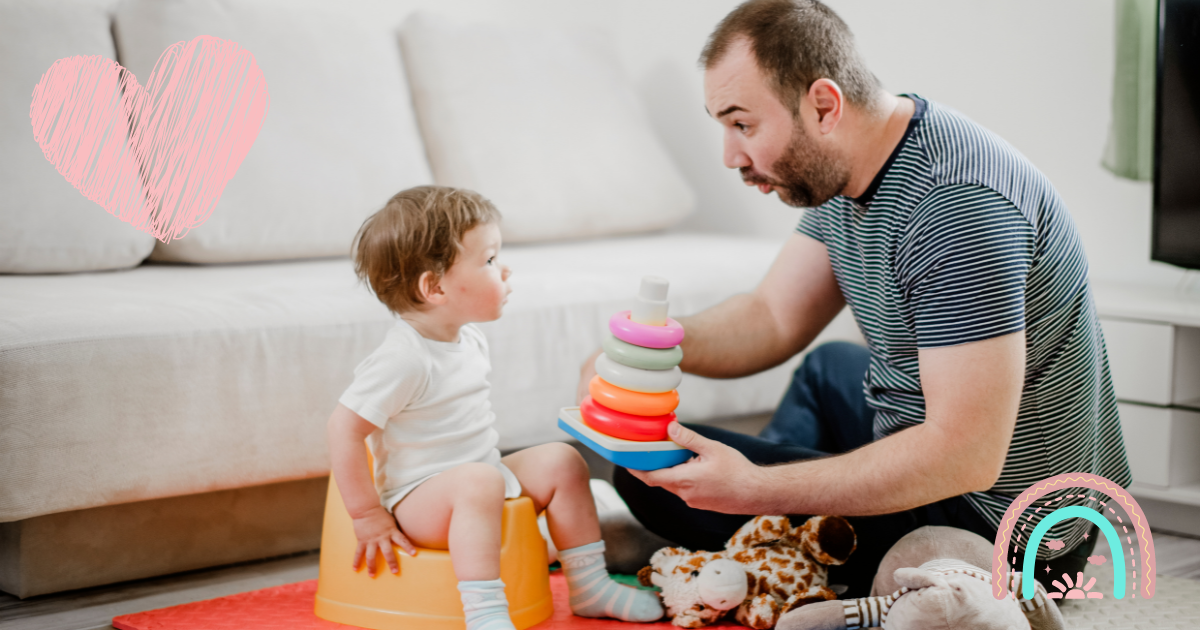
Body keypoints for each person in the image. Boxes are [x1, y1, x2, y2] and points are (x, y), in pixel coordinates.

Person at [577, 0, 1132, 599]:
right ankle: (783, 535)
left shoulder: (957, 206)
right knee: (824, 369)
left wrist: (757, 487)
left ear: (823, 105)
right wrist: (642, 349)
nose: (731, 156)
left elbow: (966, 454)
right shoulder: (858, 161)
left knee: (649, 477)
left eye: (743, 125)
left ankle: (766, 535)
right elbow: (770, 317)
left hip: (1014, 535)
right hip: (943, 456)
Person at [329, 186, 663, 630]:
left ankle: (589, 586)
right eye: (488, 261)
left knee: (563, 460)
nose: (504, 269)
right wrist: (368, 515)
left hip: (479, 477)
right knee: (479, 480)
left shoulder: (467, 338)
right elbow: (343, 429)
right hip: (417, 501)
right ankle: (485, 613)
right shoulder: (404, 358)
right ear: (434, 287)